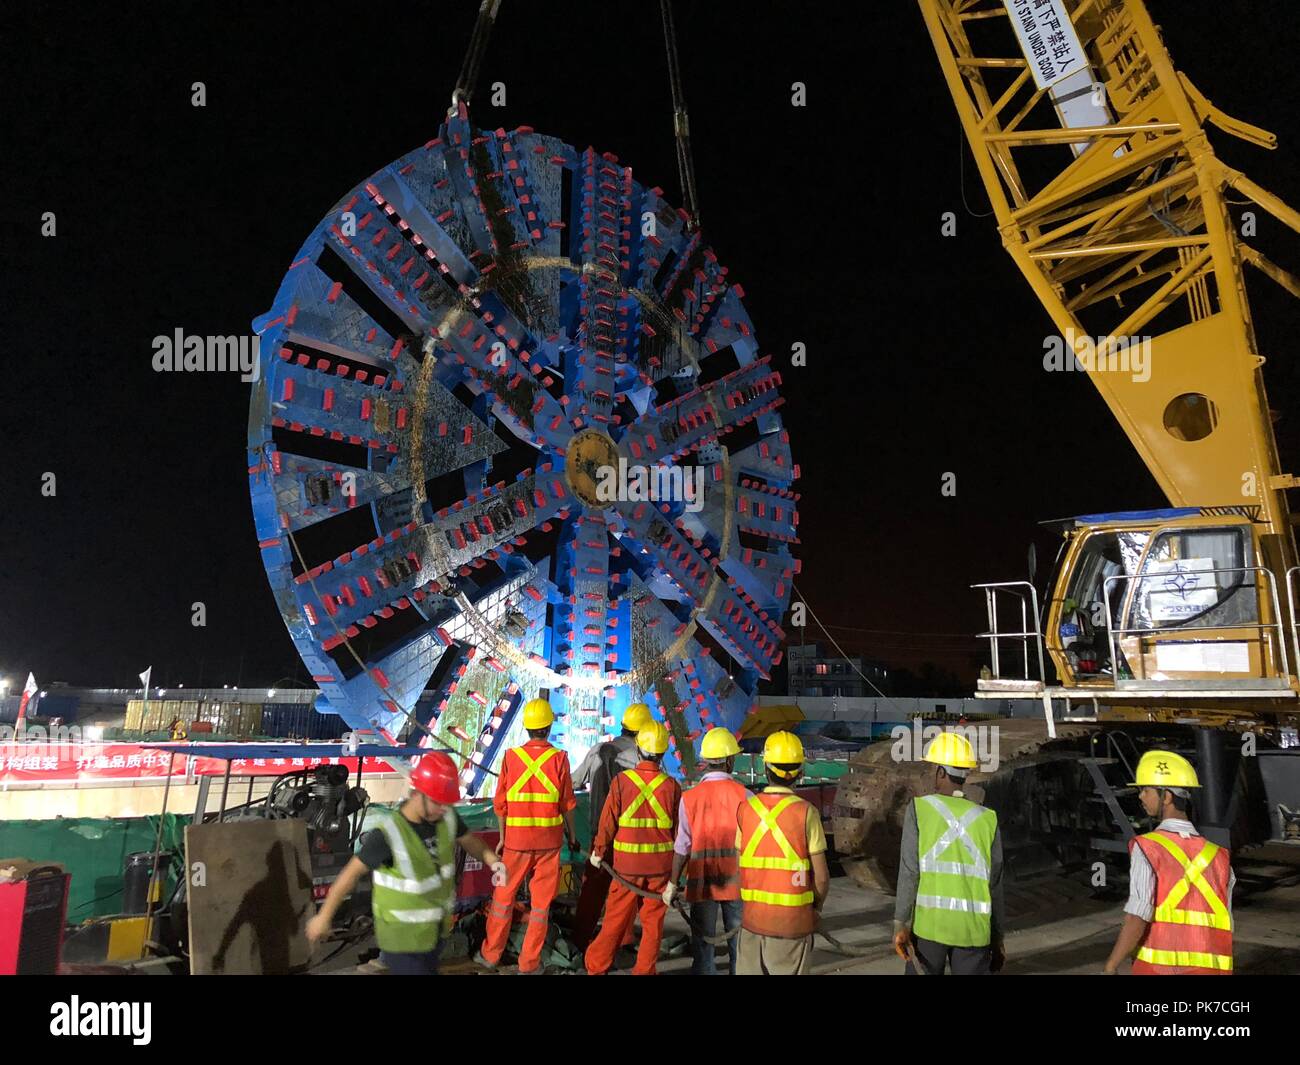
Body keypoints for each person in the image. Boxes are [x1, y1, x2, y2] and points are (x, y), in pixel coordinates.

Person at [306, 751, 502, 975]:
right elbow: (349, 876)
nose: (443, 808)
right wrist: (323, 917)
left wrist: (493, 860)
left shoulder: (446, 817)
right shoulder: (389, 835)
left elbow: (470, 841)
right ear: (418, 794)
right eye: (437, 802)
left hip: (434, 933)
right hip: (402, 939)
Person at [1103, 749, 1234, 975]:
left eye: (1146, 790)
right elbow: (1227, 923)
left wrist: (1111, 966)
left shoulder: (1147, 848)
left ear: (1167, 797)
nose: (1141, 796)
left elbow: (1138, 914)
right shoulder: (1220, 856)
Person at [477, 697, 579, 974]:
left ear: (526, 727)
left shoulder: (511, 757)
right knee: (541, 906)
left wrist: (502, 837)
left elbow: (501, 805)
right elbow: (567, 804)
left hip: (516, 842)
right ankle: (529, 963)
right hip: (549, 843)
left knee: (503, 898)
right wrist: (572, 836)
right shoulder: (559, 758)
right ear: (548, 727)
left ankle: (491, 955)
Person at [892, 731, 1005, 975]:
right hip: (974, 931)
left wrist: (900, 923)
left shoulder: (919, 809)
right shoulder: (988, 819)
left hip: (930, 928)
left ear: (941, 772)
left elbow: (910, 871)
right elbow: (994, 884)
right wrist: (998, 936)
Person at [584, 720, 681, 975]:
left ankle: (596, 965)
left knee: (615, 919)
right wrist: (676, 878)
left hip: (626, 868)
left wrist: (598, 852)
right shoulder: (672, 787)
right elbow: (679, 834)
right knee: (653, 924)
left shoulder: (622, 783)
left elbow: (607, 823)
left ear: (638, 750)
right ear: (661, 755)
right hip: (660, 869)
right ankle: (645, 971)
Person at [736, 731, 830, 975]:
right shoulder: (807, 813)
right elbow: (821, 878)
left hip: (752, 924)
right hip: (792, 929)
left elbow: (741, 867)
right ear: (800, 772)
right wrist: (815, 910)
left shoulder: (746, 809)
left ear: (765, 767)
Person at [664, 726, 750, 974]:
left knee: (703, 948)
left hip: (701, 885)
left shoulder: (689, 798)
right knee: (740, 946)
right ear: (730, 760)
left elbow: (682, 847)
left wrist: (672, 884)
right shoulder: (745, 796)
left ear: (705, 761)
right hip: (737, 882)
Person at [572, 702, 654, 830]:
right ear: (642, 733)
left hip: (598, 830)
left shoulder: (597, 750)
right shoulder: (641, 760)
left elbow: (573, 782)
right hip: (627, 834)